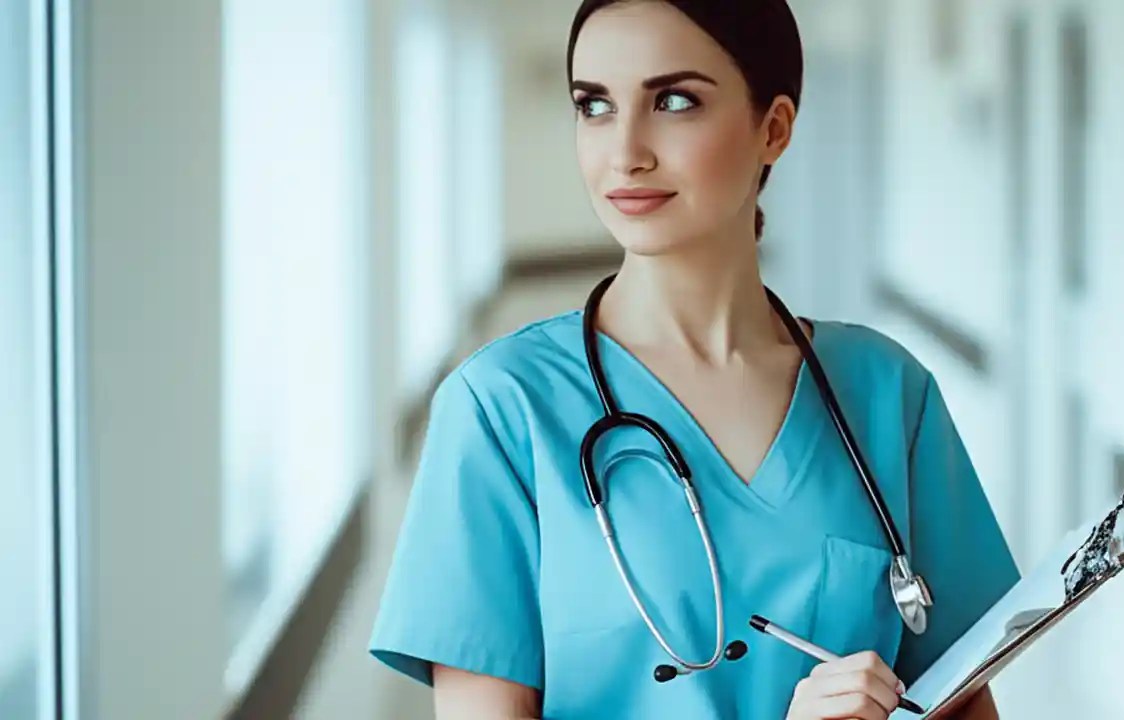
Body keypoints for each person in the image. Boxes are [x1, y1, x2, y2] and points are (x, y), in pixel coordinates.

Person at [369, 1, 1020, 718]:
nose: (625, 151)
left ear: (772, 128)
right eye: (594, 106)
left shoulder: (887, 394)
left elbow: (964, 702)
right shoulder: (503, 410)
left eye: (674, 101)